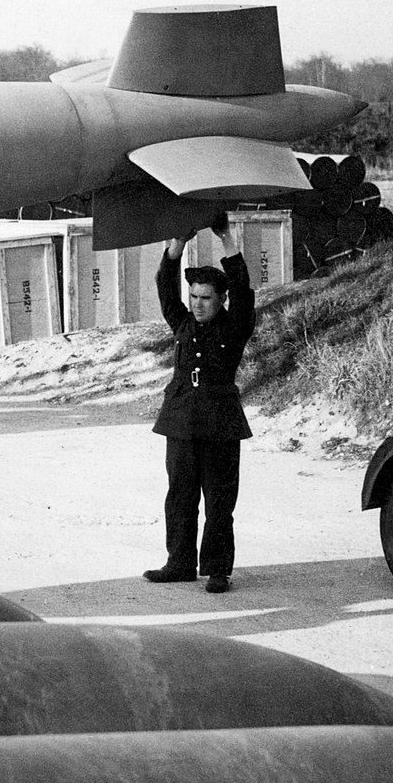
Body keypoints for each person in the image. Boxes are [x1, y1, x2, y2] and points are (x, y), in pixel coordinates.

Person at [143, 213, 254, 594]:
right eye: (193, 297)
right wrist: (178, 243)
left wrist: (227, 238)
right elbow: (164, 286)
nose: (198, 304)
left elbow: (243, 289)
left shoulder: (235, 326)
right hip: (180, 420)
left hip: (220, 423)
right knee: (179, 496)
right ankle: (179, 563)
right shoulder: (182, 323)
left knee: (219, 501)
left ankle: (218, 570)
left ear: (221, 299)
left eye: (206, 298)